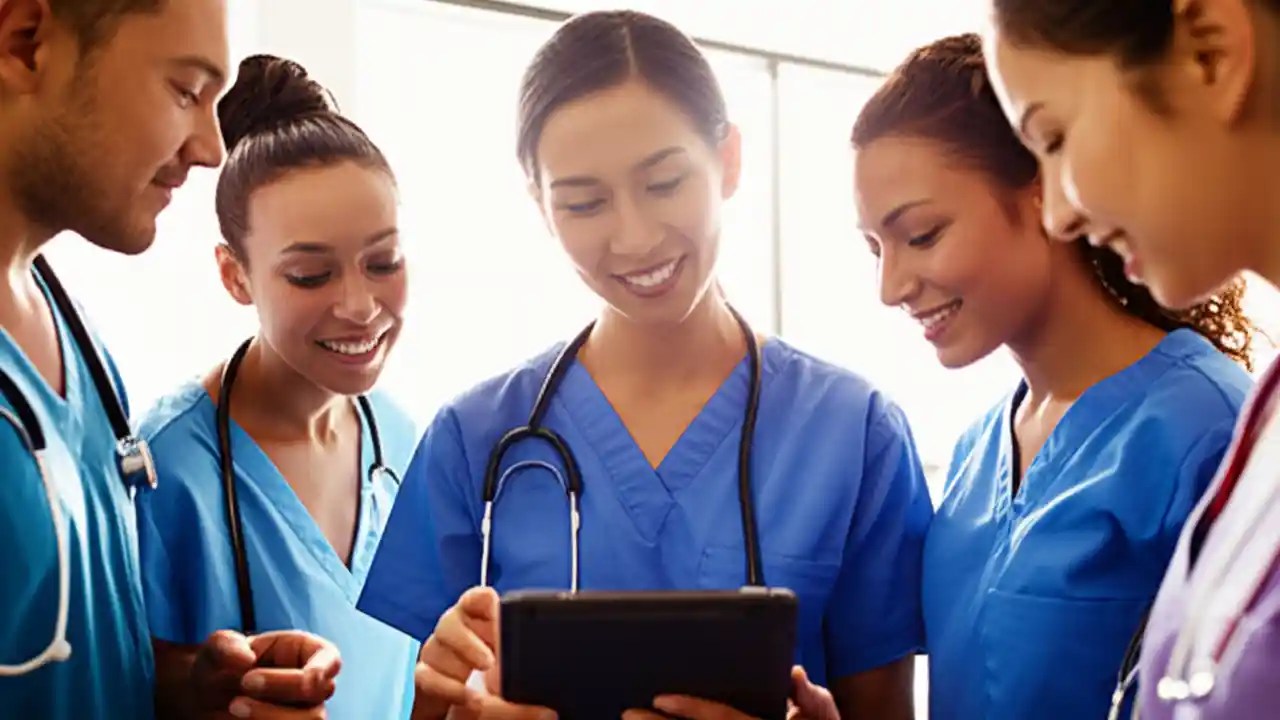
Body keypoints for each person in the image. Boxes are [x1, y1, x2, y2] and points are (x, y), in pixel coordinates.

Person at [356, 9, 933, 720]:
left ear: (728, 161)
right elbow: (433, 703)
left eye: (663, 184)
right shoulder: (474, 439)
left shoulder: (854, 435)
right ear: (540, 205)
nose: (633, 237)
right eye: (584, 202)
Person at [851, 33, 1256, 720]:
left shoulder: (1209, 430)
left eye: (921, 235)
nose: (890, 286)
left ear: (1045, 191)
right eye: (873, 248)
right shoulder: (982, 448)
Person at [0, 1, 343, 719]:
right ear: (26, 42)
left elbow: (58, 653)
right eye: (186, 90)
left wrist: (195, 687)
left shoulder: (80, 344)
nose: (213, 148)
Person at [981, 1, 1280, 717]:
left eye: (1053, 137)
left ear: (1210, 52)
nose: (1057, 215)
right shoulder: (1266, 415)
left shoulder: (1201, 414)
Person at [134, 54, 420, 719]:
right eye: (311, 275)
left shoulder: (405, 444)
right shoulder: (165, 470)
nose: (359, 305)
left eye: (383, 262)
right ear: (236, 277)